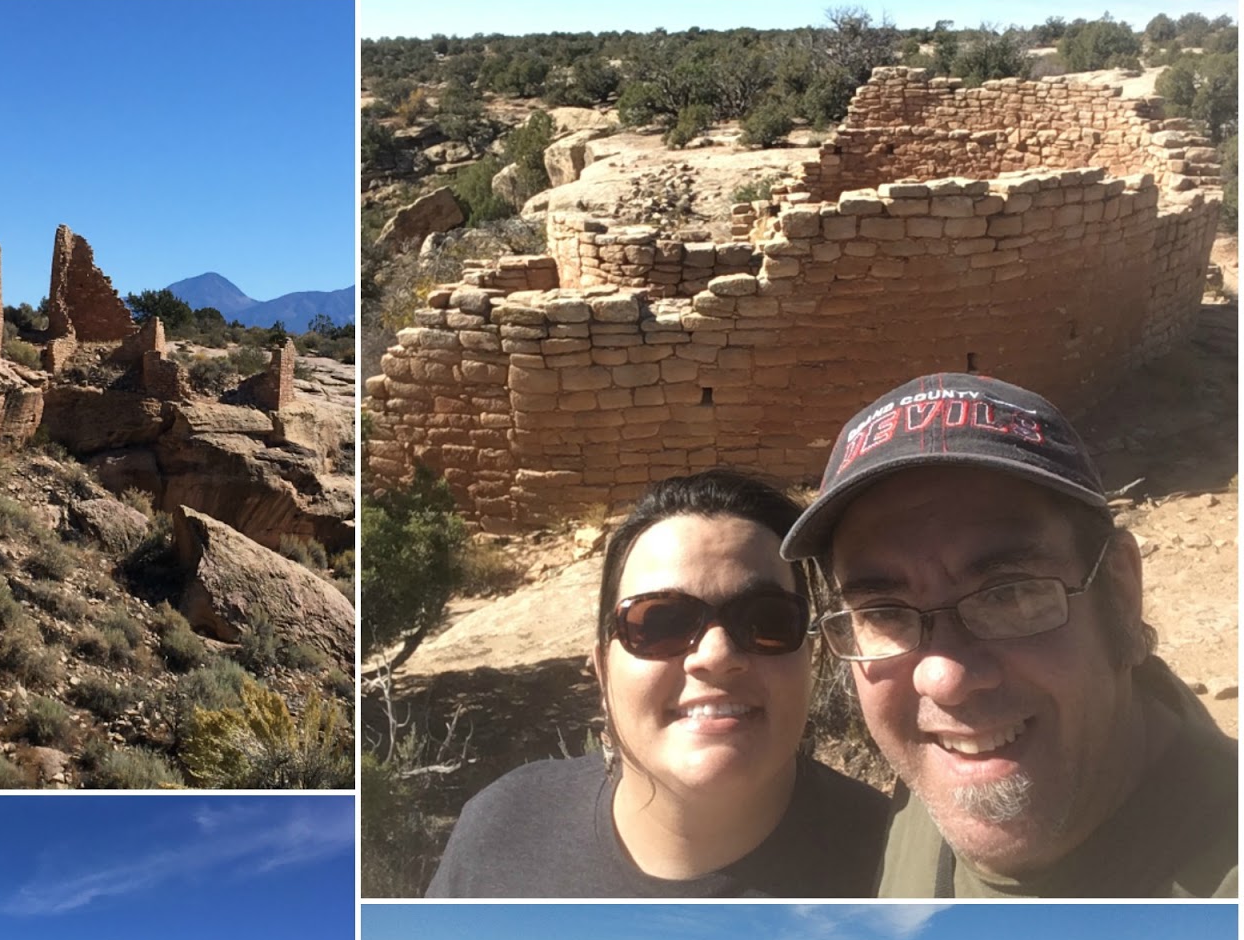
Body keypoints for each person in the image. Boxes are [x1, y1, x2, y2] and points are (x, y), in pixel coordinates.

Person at [781, 372, 1237, 898]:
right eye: (885, 613)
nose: (943, 679)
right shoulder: (932, 774)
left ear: (1122, 593)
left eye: (1007, 594)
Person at [427, 471, 889, 896]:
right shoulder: (500, 830)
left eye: (767, 621)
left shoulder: (901, 867)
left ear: (809, 658)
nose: (717, 655)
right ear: (602, 671)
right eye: (659, 622)